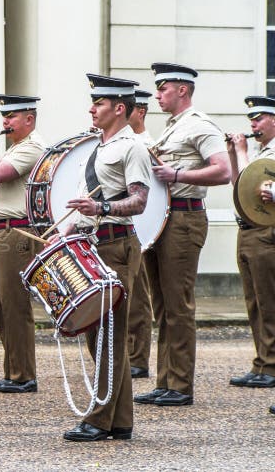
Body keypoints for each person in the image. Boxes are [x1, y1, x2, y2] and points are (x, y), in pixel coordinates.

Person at [58, 74, 150, 441]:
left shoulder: (133, 147)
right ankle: (121, 420)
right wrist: (66, 233)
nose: (91, 108)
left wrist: (100, 206)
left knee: (108, 333)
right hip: (95, 243)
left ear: (119, 108)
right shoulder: (98, 145)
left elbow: (140, 200)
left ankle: (98, 419)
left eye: (99, 103)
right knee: (101, 334)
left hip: (117, 245)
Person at [134, 63, 231, 407]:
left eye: (163, 89)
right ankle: (166, 380)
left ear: (182, 90)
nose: (158, 94)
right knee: (162, 305)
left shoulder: (200, 126)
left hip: (184, 219)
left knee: (178, 304)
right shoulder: (172, 129)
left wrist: (176, 173)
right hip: (163, 219)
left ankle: (180, 384)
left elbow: (223, 170)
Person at [0, 94, 45, 394]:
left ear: (29, 120)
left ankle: (23, 374)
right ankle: (13, 370)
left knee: (15, 306)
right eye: (5, 116)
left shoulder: (32, 147)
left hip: (16, 233)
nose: (5, 122)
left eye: (12, 116)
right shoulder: (14, 148)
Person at [225, 95, 275, 389]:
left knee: (268, 302)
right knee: (254, 302)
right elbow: (239, 186)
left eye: (258, 119)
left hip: (265, 232)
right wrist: (234, 154)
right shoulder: (259, 152)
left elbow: (255, 186)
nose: (253, 125)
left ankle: (270, 365)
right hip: (246, 229)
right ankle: (261, 362)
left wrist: (242, 152)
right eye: (251, 120)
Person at [126, 89, 154, 379]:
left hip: (141, 228)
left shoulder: (146, 145)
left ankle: (139, 356)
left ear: (140, 112)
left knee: (138, 297)